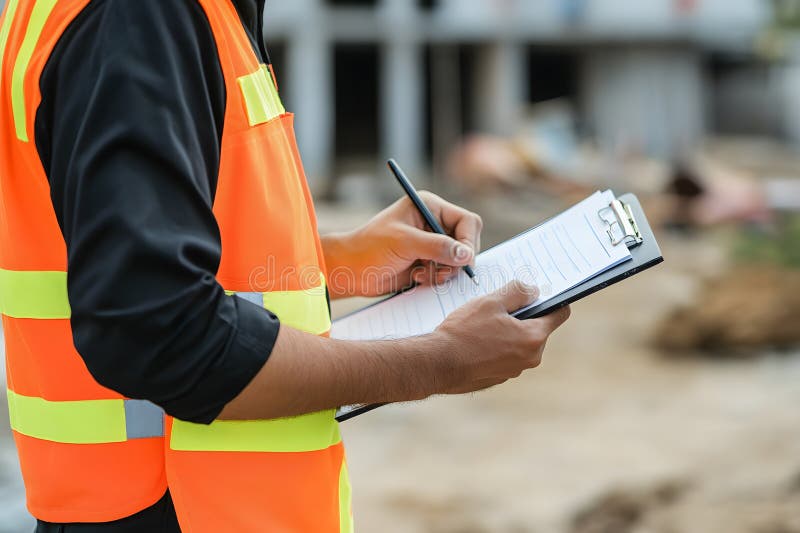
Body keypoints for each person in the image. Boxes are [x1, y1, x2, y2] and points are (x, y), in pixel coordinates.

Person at [0, 0, 571, 531]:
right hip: (187, 509)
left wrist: (346, 261)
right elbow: (163, 332)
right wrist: (439, 361)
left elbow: (155, 263)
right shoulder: (143, 19)